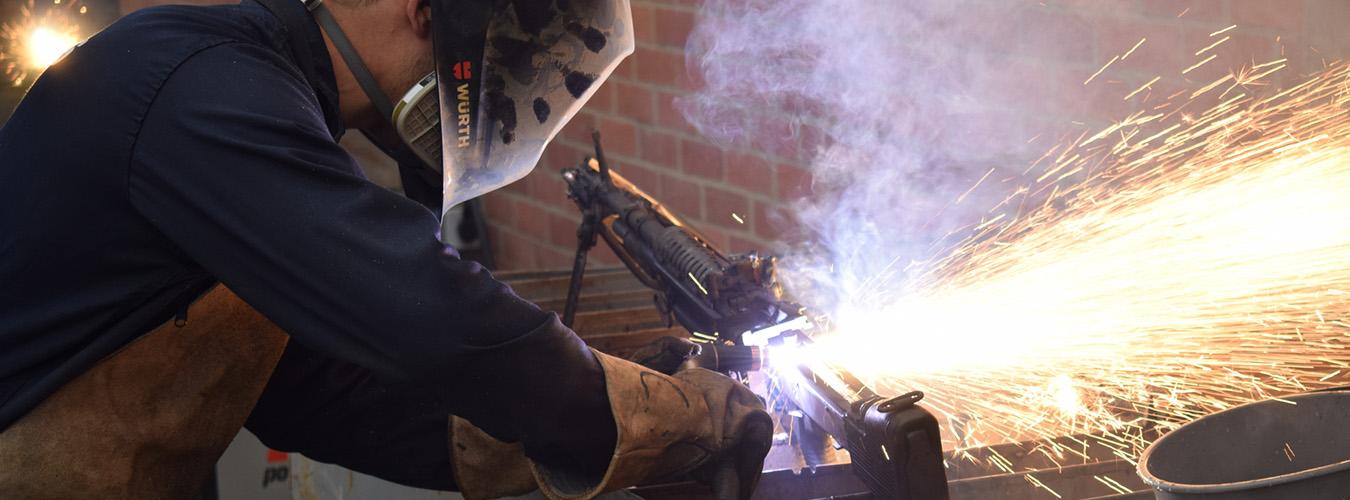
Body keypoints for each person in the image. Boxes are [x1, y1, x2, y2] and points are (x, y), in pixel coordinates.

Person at [0, 0, 772, 498]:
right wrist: (639, 417)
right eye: (507, 63)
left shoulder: (258, 102)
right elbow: (431, 317)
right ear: (427, 13)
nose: (501, 99)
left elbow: (326, 394)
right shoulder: (201, 86)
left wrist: (600, 395)